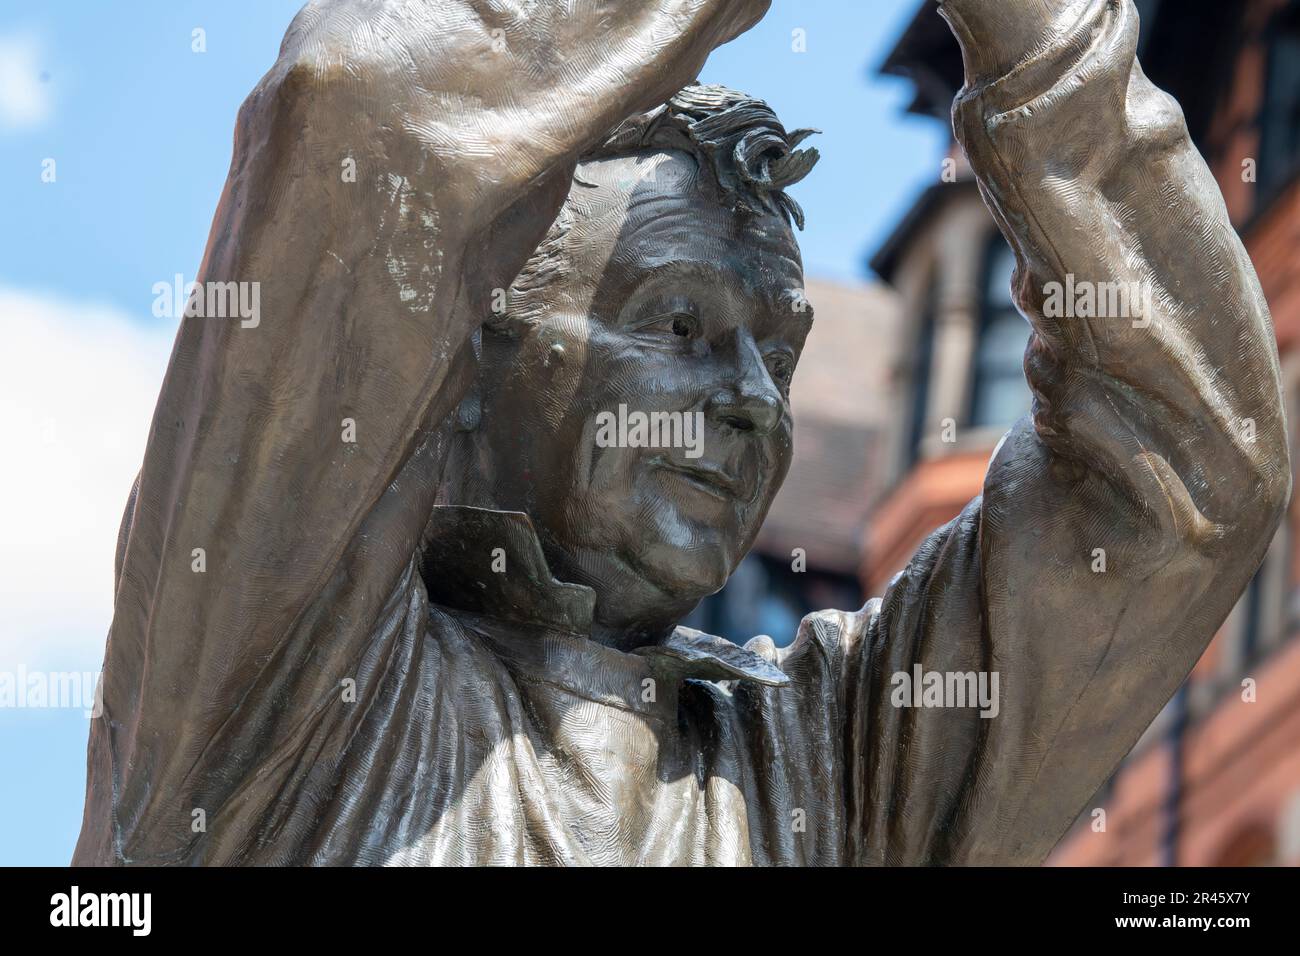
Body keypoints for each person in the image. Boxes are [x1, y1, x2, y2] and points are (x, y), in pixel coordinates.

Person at [75, 0, 1289, 865]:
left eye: (780, 347)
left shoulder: (835, 763)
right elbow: (356, 125)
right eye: (680, 323)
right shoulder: (283, 683)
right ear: (460, 363)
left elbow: (1185, 473)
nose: (755, 397)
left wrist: (1040, 39)